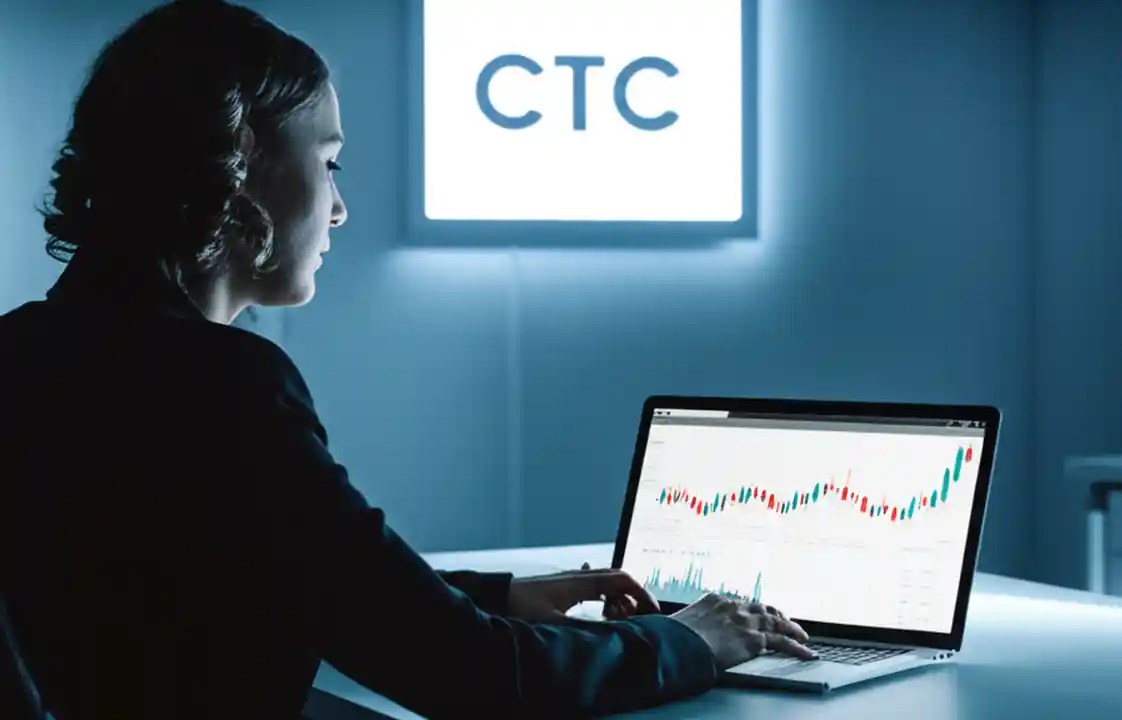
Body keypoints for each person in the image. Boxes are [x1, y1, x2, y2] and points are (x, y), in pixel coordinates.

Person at [0, 1, 815, 717]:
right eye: (328, 162)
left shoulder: (24, 352)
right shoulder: (220, 386)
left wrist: (494, 596)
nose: (341, 206)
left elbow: (239, 581)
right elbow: (481, 680)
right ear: (240, 161)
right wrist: (690, 641)